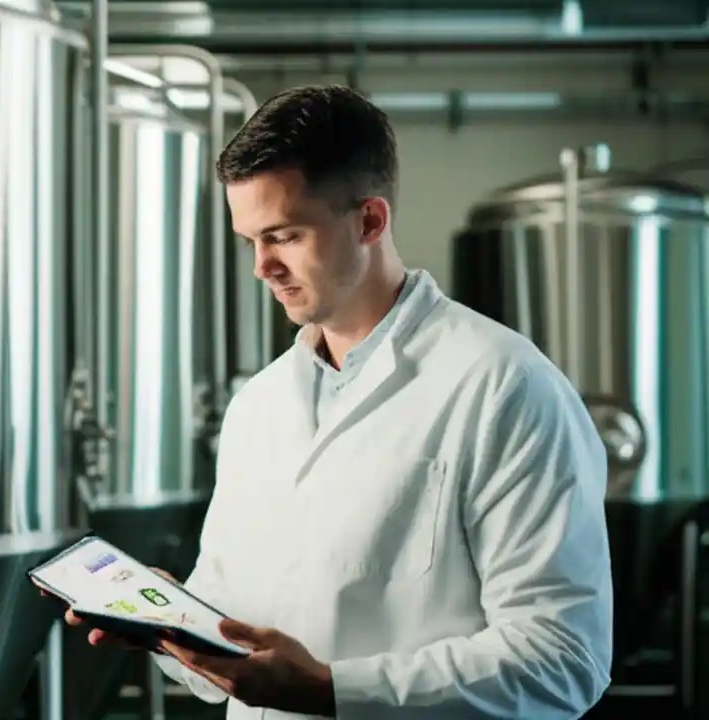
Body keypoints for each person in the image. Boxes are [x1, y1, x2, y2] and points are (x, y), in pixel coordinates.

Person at [64, 85, 613, 718]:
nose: (261, 267)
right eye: (251, 242)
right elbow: (232, 656)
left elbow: (562, 658)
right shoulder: (259, 408)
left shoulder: (504, 386)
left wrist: (330, 688)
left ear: (370, 221)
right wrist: (173, 622)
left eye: (285, 236)